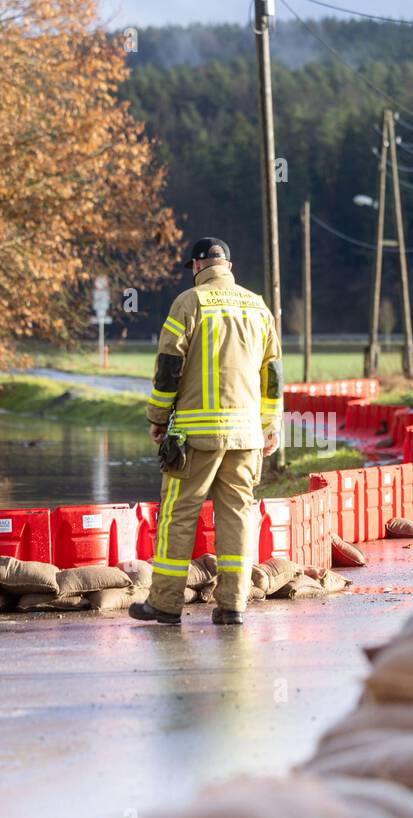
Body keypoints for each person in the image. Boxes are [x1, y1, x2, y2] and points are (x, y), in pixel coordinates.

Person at [129, 237, 282, 626]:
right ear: (228, 265)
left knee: (178, 517)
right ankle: (233, 605)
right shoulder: (258, 306)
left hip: (197, 437)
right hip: (247, 437)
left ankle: (164, 604)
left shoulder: (189, 302)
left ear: (198, 265)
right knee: (236, 517)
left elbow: (168, 367)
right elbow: (273, 376)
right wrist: (270, 426)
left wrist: (158, 417)